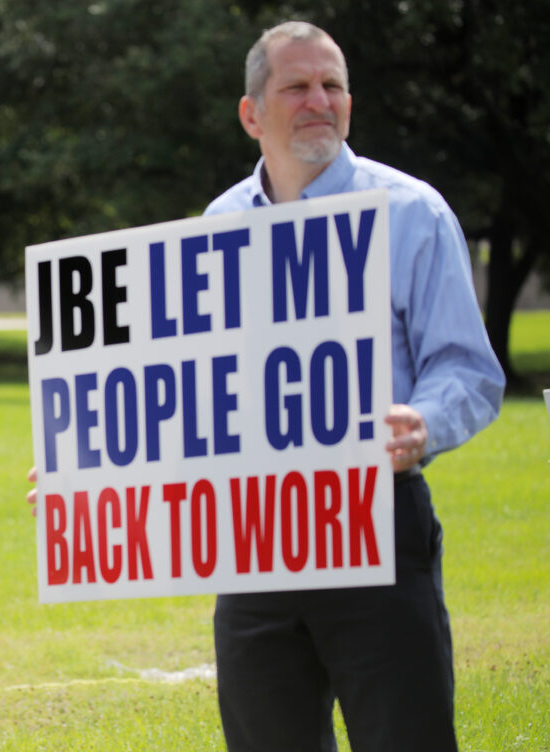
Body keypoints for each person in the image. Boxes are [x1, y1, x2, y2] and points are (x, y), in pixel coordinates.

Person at [201, 21, 505, 751]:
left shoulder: (413, 213)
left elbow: (468, 369)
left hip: (374, 521)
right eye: (297, 86)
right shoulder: (216, 227)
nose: (319, 100)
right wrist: (93, 474)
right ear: (252, 114)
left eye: (332, 85)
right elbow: (194, 387)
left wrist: (422, 424)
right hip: (256, 536)